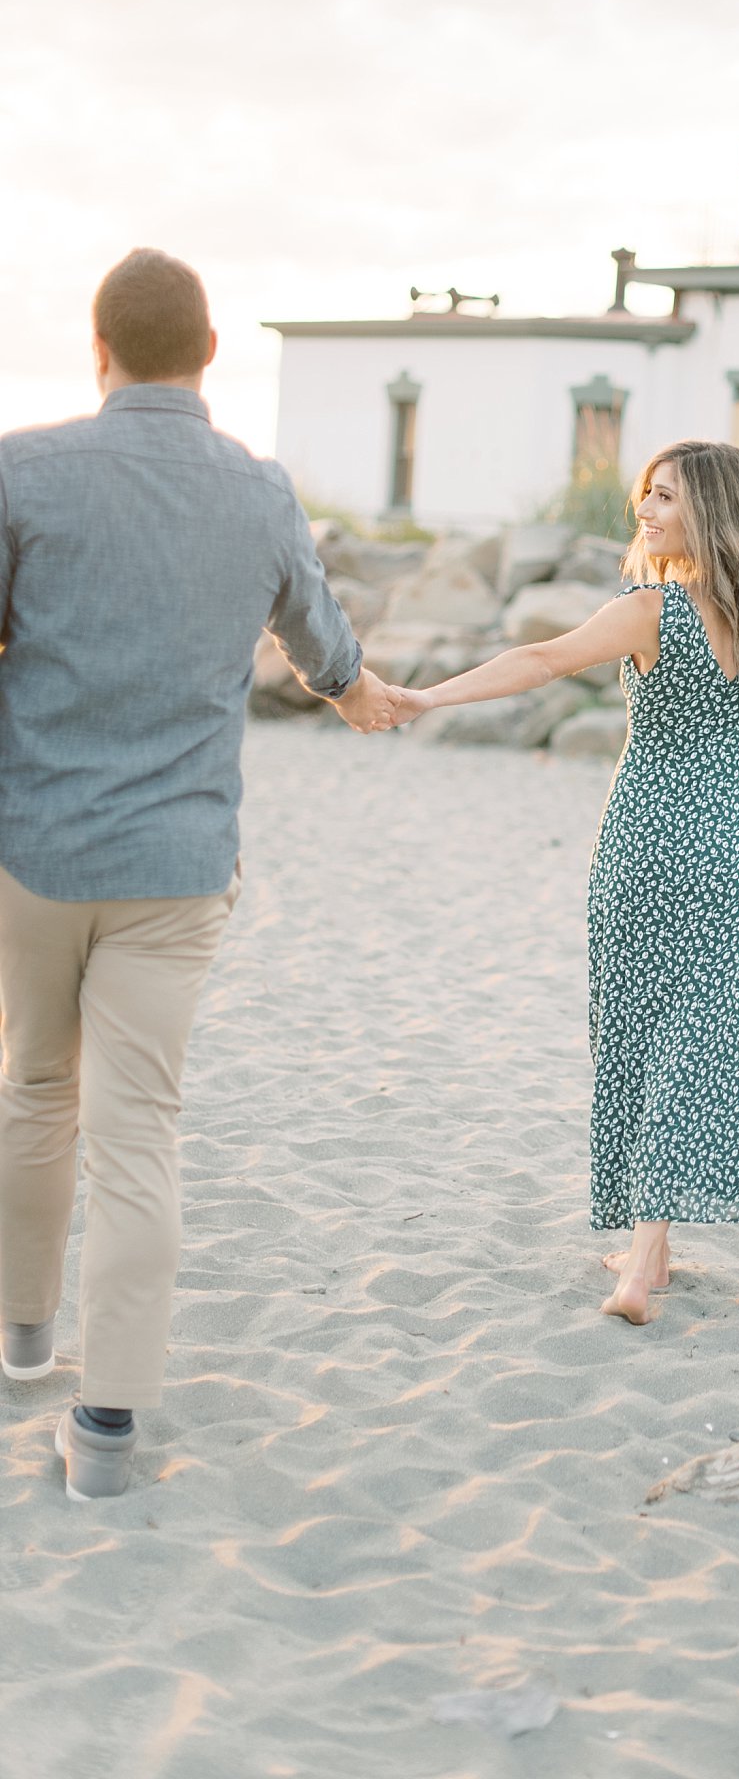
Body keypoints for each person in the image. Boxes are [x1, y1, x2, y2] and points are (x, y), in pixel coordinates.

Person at [0, 247, 397, 1500]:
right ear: (212, 353)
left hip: (35, 850)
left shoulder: (22, 470)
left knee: (32, 1082)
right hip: (175, 864)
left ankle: (23, 1339)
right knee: (139, 1134)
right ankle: (106, 1431)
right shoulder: (261, 488)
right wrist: (360, 694)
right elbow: (322, 645)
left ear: (98, 348)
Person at [393, 440, 739, 1322]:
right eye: (645, 495)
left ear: (708, 510)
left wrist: (429, 698)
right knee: (699, 1040)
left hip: (640, 844)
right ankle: (652, 1254)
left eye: (664, 497)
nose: (646, 511)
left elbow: (539, 661)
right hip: (725, 850)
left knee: (637, 1031)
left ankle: (638, 1265)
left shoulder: (651, 613)